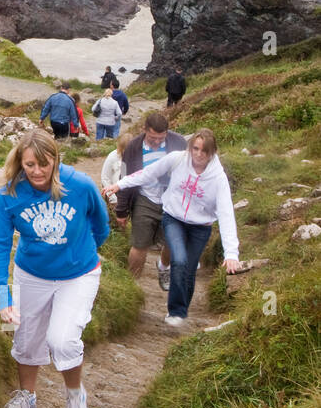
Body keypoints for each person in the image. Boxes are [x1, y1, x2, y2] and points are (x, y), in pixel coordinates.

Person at [0, 128, 111, 408]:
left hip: (77, 276)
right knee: (26, 339)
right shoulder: (10, 195)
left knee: (62, 340)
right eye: (30, 165)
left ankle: (74, 395)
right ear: (20, 163)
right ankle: (27, 395)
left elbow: (101, 225)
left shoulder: (80, 185)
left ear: (55, 160)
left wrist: (79, 253)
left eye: (44, 164)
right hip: (31, 275)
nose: (37, 171)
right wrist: (2, 294)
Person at [104, 128, 242, 328]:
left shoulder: (218, 178)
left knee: (189, 268)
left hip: (200, 227)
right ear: (190, 147)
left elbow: (226, 213)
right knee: (179, 258)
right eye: (195, 148)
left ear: (212, 152)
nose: (198, 154)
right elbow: (148, 173)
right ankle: (175, 310)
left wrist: (231, 253)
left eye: (204, 151)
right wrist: (121, 184)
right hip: (174, 218)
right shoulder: (177, 159)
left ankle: (181, 308)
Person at [115, 112, 186, 289]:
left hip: (172, 201)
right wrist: (121, 211)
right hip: (145, 199)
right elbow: (124, 176)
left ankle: (164, 267)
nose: (156, 142)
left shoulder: (179, 143)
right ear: (144, 130)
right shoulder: (133, 147)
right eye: (152, 138)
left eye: (160, 138)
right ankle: (132, 284)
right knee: (139, 245)